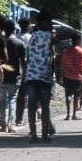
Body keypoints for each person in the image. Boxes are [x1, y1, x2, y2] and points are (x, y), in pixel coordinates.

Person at [24, 10, 56, 142]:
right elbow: (52, 57)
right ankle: (44, 135)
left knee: (32, 106)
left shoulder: (32, 36)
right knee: (45, 105)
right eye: (49, 21)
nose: (51, 24)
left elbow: (28, 55)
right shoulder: (49, 37)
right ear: (43, 22)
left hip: (31, 75)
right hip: (44, 76)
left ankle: (33, 135)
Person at [0, 17, 25, 133]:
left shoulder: (1, 42)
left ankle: (2, 123)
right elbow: (23, 61)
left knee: (3, 100)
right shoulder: (19, 43)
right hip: (15, 76)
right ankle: (10, 123)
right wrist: (24, 74)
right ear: (14, 29)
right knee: (12, 99)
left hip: (2, 75)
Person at [59, 33, 82, 121]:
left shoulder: (66, 51)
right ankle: (74, 115)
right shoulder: (81, 52)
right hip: (77, 77)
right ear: (78, 40)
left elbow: (63, 64)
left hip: (67, 76)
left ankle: (68, 114)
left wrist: (61, 76)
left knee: (68, 94)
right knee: (76, 96)